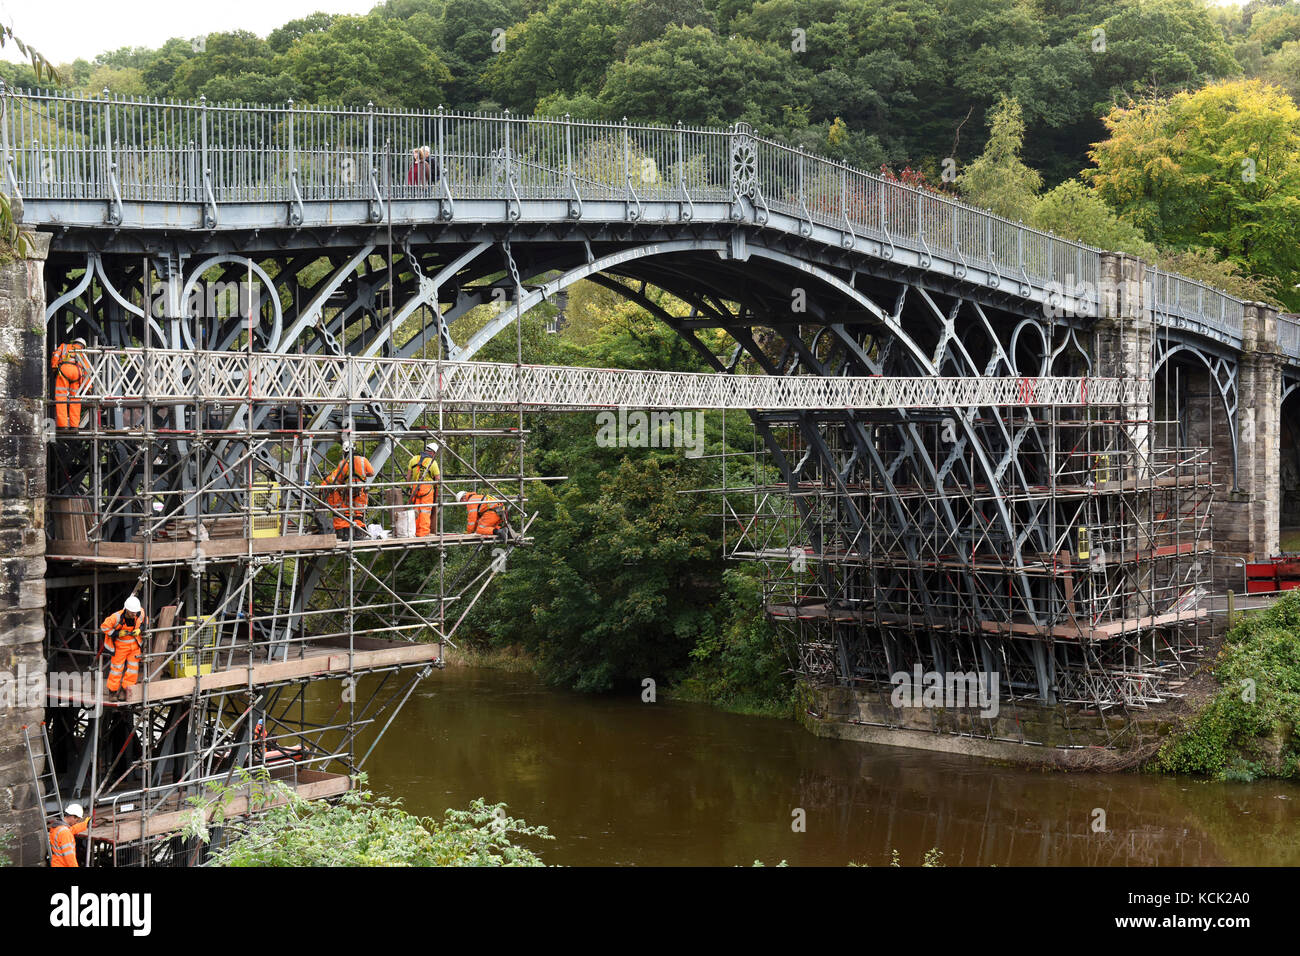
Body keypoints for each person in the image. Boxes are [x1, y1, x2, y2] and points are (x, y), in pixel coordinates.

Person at [321, 454, 376, 540]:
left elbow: (338, 479)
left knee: (344, 512)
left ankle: (345, 534)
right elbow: (371, 472)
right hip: (360, 490)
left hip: (346, 490)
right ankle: (358, 533)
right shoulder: (363, 460)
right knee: (359, 512)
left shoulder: (342, 464)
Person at [101, 596, 145, 702]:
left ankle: (125, 691)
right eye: (132, 612)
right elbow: (104, 627)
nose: (134, 614)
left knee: (133, 669)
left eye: (135, 612)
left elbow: (145, 623)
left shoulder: (141, 613)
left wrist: (140, 630)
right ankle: (113, 692)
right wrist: (117, 633)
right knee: (116, 669)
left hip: (134, 647)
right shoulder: (116, 617)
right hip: (120, 647)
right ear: (126, 609)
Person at [51, 337, 89, 429]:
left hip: (64, 370)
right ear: (83, 346)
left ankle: (62, 425)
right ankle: (74, 426)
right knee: (75, 399)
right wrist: (88, 387)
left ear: (74, 342)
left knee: (61, 397)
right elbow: (87, 371)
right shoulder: (83, 353)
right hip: (77, 373)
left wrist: (54, 367)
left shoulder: (64, 346)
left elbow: (55, 356)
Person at [408, 444, 441, 537]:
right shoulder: (433, 462)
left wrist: (409, 486)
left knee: (416, 510)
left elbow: (408, 476)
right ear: (433, 452)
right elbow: (438, 479)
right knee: (425, 511)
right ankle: (423, 532)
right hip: (427, 489)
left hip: (415, 487)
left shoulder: (413, 459)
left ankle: (415, 531)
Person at [49, 803, 90, 867]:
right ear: (73, 816)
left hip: (57, 863)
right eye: (77, 820)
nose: (76, 823)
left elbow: (72, 829)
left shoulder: (58, 827)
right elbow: (69, 856)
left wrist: (85, 824)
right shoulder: (65, 833)